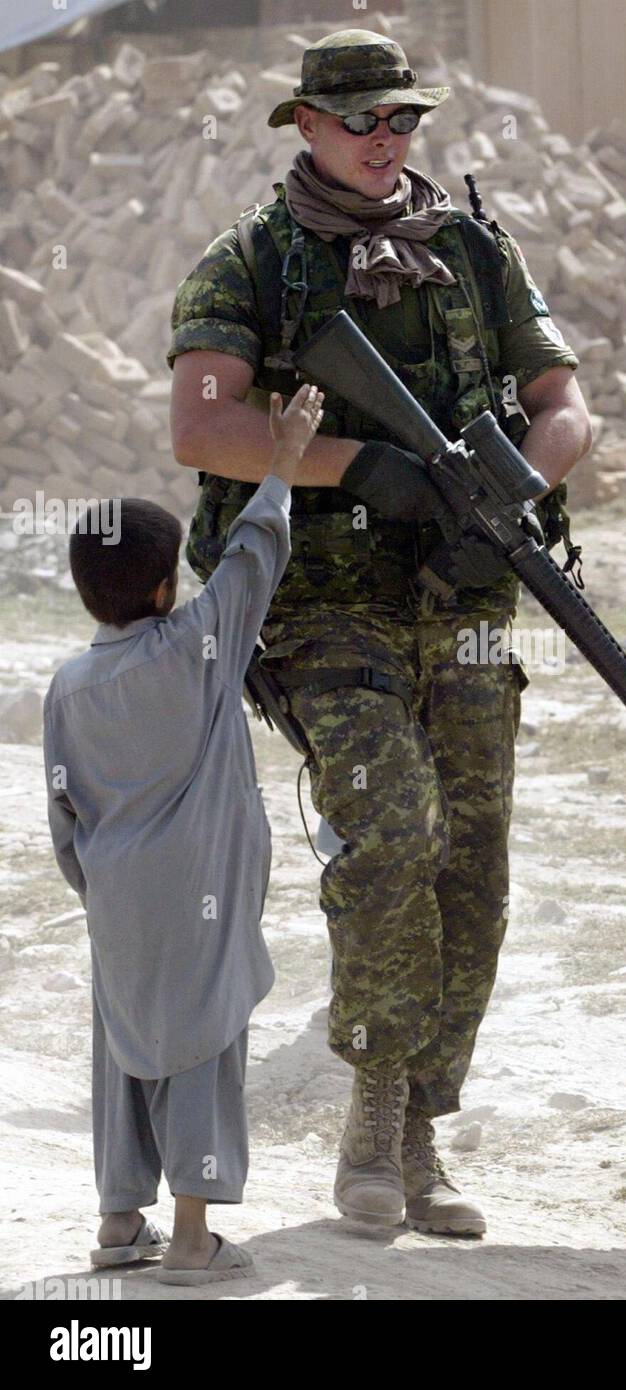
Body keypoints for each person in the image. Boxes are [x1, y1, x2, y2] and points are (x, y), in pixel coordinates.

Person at [167, 29, 591, 1234]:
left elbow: (568, 401)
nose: (384, 140)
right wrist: (364, 469)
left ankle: (419, 1133)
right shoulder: (252, 260)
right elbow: (203, 426)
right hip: (321, 605)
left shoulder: (471, 248)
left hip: (463, 602)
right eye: (359, 121)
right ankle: (370, 1113)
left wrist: (514, 479)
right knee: (394, 827)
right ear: (302, 124)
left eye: (400, 119)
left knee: (475, 861)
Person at [43, 384, 325, 1283]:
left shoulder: (66, 689)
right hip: (196, 898)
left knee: (122, 1047)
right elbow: (254, 556)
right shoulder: (198, 647)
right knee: (202, 1046)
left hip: (116, 898)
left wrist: (102, 889)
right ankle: (195, 1237)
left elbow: (63, 814)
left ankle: (120, 1223)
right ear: (167, 587)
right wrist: (285, 457)